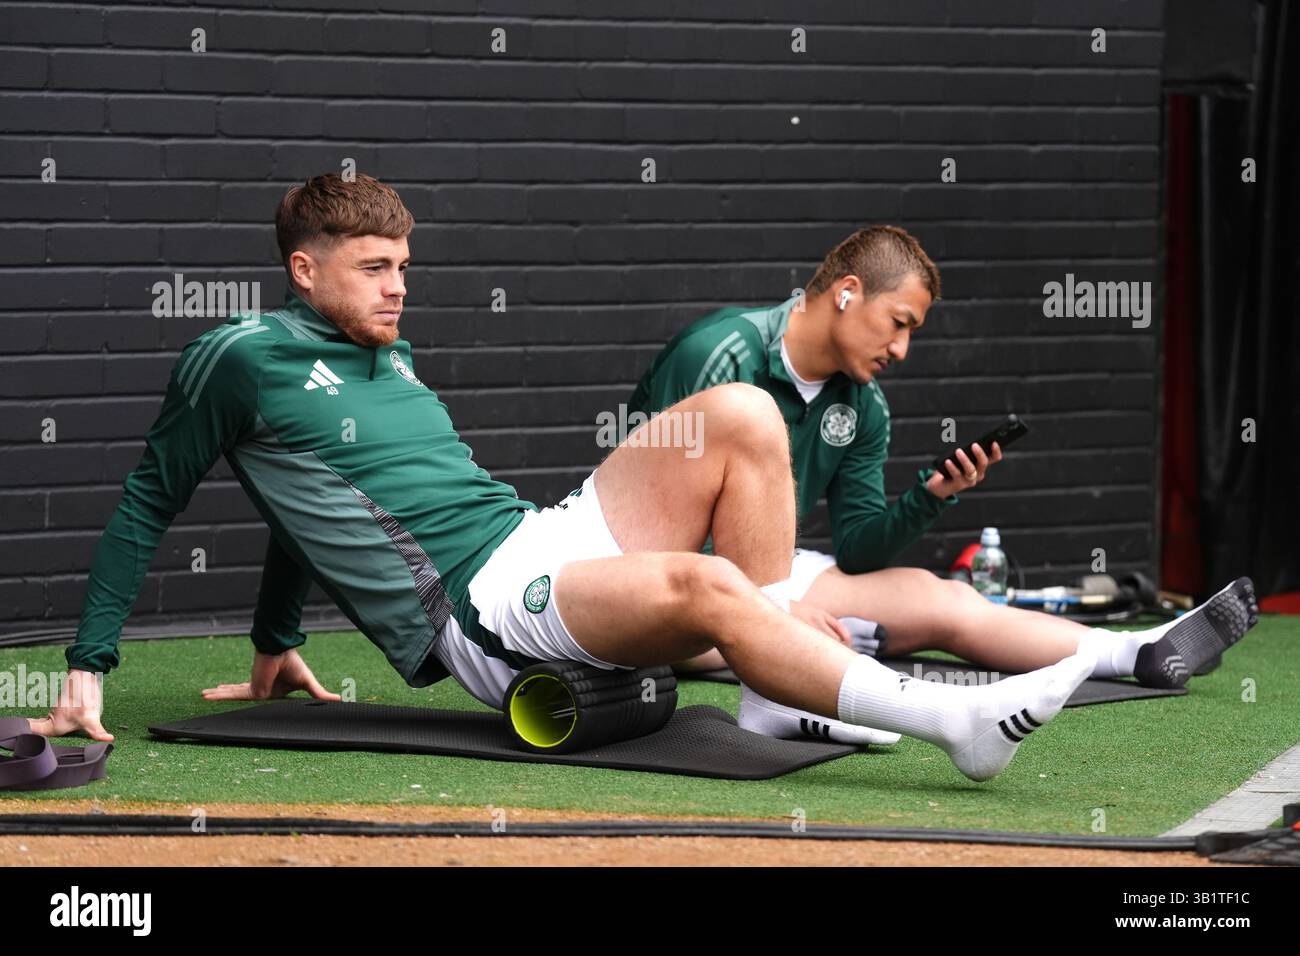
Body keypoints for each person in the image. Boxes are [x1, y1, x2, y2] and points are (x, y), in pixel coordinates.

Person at [25, 176, 1257, 784]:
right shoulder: (233, 358)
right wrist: (86, 667)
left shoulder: (379, 355)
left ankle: (779, 692)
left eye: (404, 262)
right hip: (484, 616)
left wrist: (273, 637)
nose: (398, 285)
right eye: (372, 266)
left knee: (738, 417)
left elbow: (314, 492)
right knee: (714, 581)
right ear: (302, 269)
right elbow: (154, 498)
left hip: (534, 536)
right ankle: (949, 723)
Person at [626, 225, 1260, 701]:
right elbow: (663, 534)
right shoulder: (720, 353)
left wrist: (928, 496)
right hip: (664, 576)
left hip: (768, 568)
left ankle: (1139, 651)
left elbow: (857, 551)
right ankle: (776, 646)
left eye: (912, 332)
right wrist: (773, 611)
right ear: (847, 293)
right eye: (898, 323)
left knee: (940, 599)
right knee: (724, 630)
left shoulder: (864, 405)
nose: (901, 349)